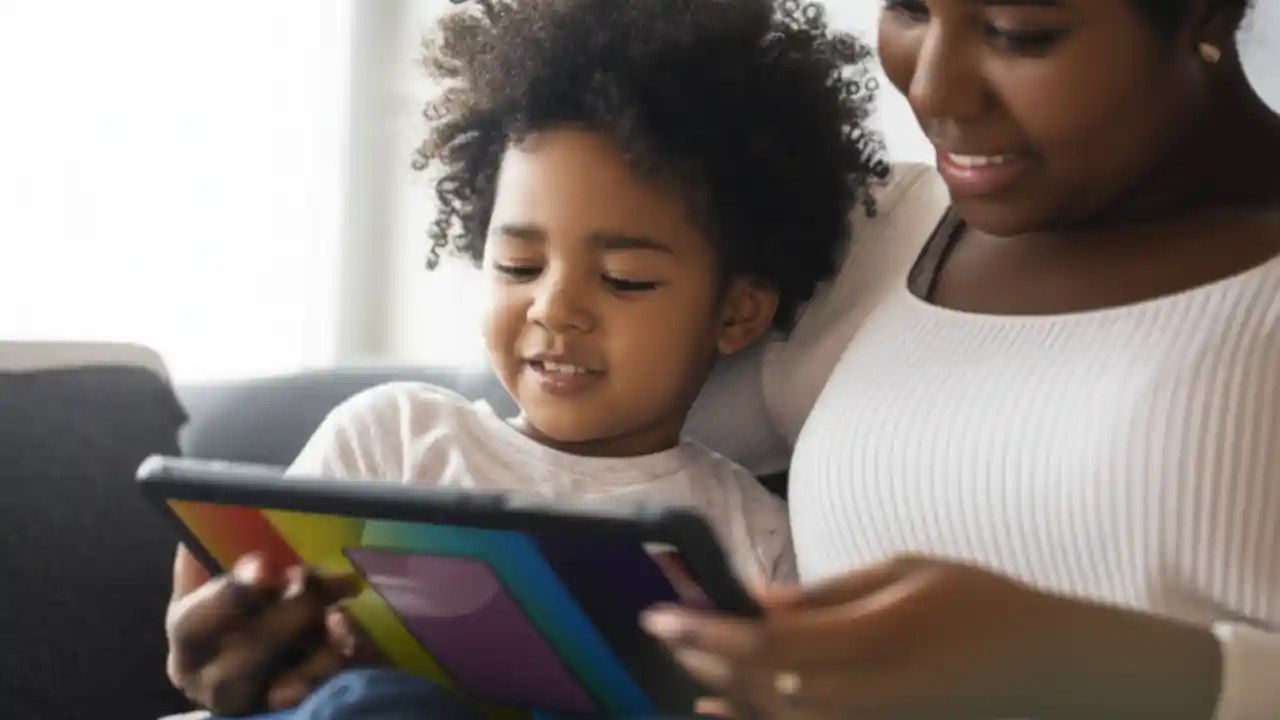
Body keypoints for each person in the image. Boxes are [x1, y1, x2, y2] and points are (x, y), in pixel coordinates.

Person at [160, 0, 885, 717]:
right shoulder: (394, 439)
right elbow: (255, 641)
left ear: (736, 313)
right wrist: (244, 629)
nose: (554, 308)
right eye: (518, 266)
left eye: (624, 279)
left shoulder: (750, 536)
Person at [640, 0, 1280, 718]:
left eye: (1019, 33)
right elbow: (583, 457)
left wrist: (1094, 666)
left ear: (1206, 15)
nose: (933, 89)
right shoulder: (876, 234)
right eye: (909, 9)